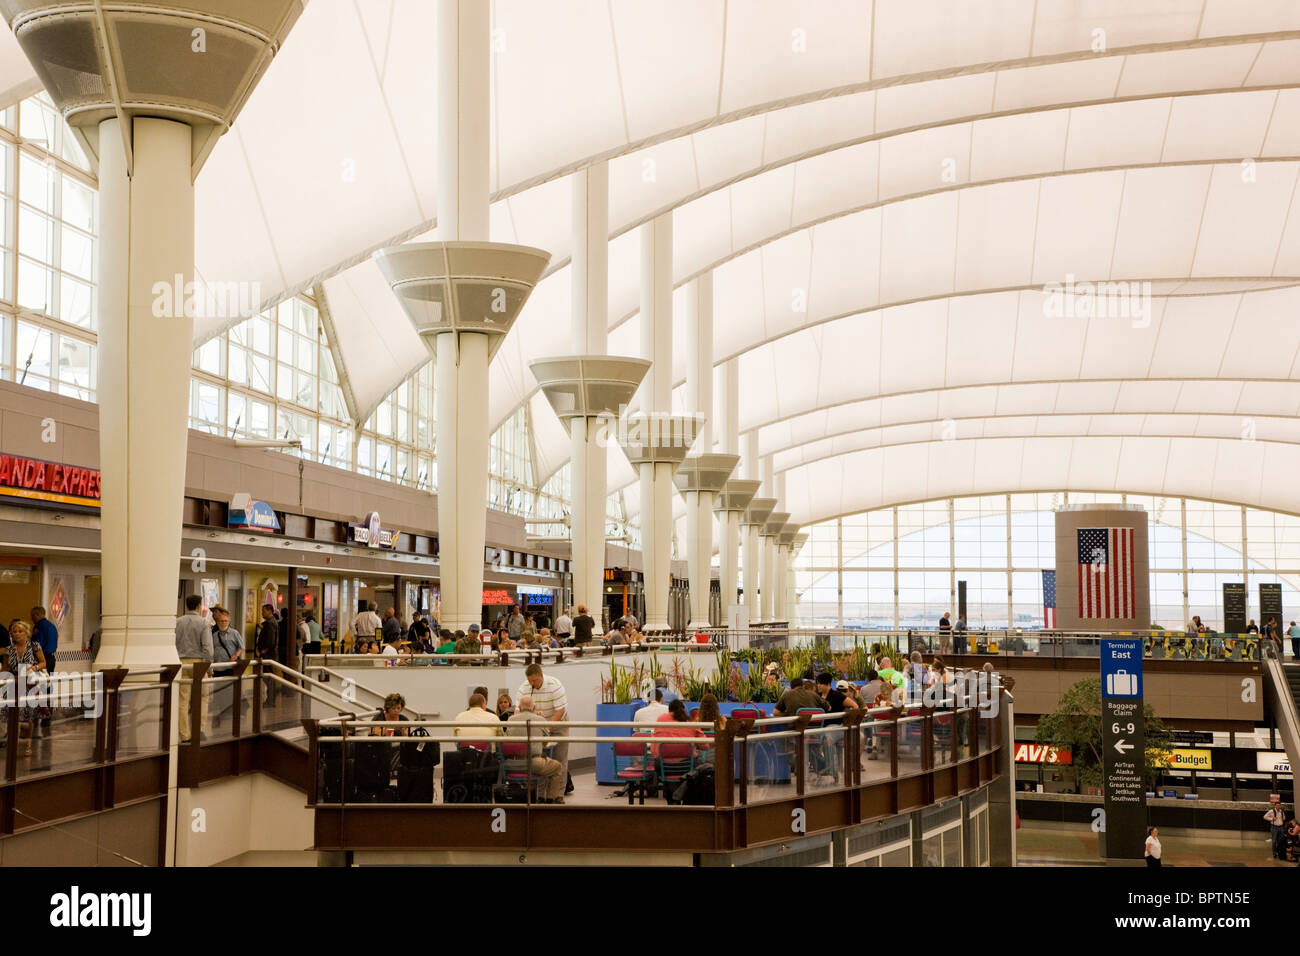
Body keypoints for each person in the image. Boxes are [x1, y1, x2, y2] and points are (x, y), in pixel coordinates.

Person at [518, 663, 571, 793]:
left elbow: (560, 711)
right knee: (540, 760)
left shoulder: (555, 685)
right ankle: (540, 795)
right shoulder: (524, 687)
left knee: (559, 759)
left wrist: (546, 730)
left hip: (558, 724)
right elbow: (517, 710)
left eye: (534, 680)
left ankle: (558, 794)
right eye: (530, 681)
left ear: (541, 676)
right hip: (538, 725)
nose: (532, 684)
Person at [504, 696, 565, 803]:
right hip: (533, 763)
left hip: (513, 764)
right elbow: (547, 741)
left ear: (519, 707)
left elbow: (507, 739)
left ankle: (539, 797)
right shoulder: (540, 720)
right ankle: (551, 800)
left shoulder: (511, 719)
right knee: (557, 768)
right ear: (534, 707)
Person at [175, 594, 215, 743]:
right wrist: (209, 667)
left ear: (187, 606)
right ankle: (200, 730)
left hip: (181, 663)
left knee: (182, 699)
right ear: (199, 606)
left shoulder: (178, 622)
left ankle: (184, 734)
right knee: (202, 697)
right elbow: (208, 649)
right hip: (198, 664)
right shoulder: (204, 623)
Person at [3, 620, 46, 754]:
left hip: (29, 682)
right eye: (14, 632)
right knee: (13, 714)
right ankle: (14, 743)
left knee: (29, 715)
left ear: (26, 633)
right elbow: (5, 667)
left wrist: (34, 667)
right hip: (14, 682)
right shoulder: (9, 649)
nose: (17, 634)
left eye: (20, 631)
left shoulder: (34, 646)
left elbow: (43, 662)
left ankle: (28, 744)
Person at [255, 604, 280, 705]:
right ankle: (271, 699)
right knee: (269, 677)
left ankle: (270, 700)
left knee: (268, 677)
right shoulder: (271, 622)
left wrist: (263, 651)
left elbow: (270, 640)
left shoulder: (270, 624)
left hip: (268, 655)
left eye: (263, 611)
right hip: (270, 654)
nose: (262, 613)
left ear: (270, 611)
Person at [31, 606, 58, 676]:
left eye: (32, 616)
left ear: (37, 615)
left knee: (41, 682)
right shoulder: (52, 626)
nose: (31, 619)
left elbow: (37, 644)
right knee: (49, 681)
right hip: (52, 658)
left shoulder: (39, 626)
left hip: (43, 657)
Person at [1265, 796, 1288, 860]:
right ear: (1275, 806)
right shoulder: (1271, 811)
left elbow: (1284, 818)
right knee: (1274, 841)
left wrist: (1283, 818)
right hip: (1274, 827)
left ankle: (1279, 852)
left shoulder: (1281, 811)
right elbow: (1265, 817)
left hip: (1281, 827)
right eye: (1277, 805)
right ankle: (1274, 853)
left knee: (1280, 841)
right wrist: (1272, 818)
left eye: (1279, 805)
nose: (1278, 806)